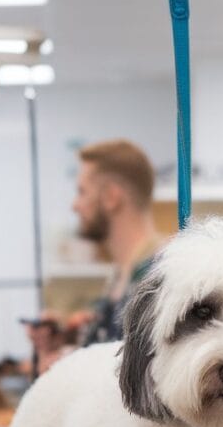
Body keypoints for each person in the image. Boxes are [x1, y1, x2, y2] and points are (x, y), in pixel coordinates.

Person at [25, 138, 168, 371]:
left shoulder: (159, 276)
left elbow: (147, 375)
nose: (75, 205)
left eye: (82, 192)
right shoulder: (123, 276)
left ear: (111, 197)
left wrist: (71, 365)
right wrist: (66, 343)